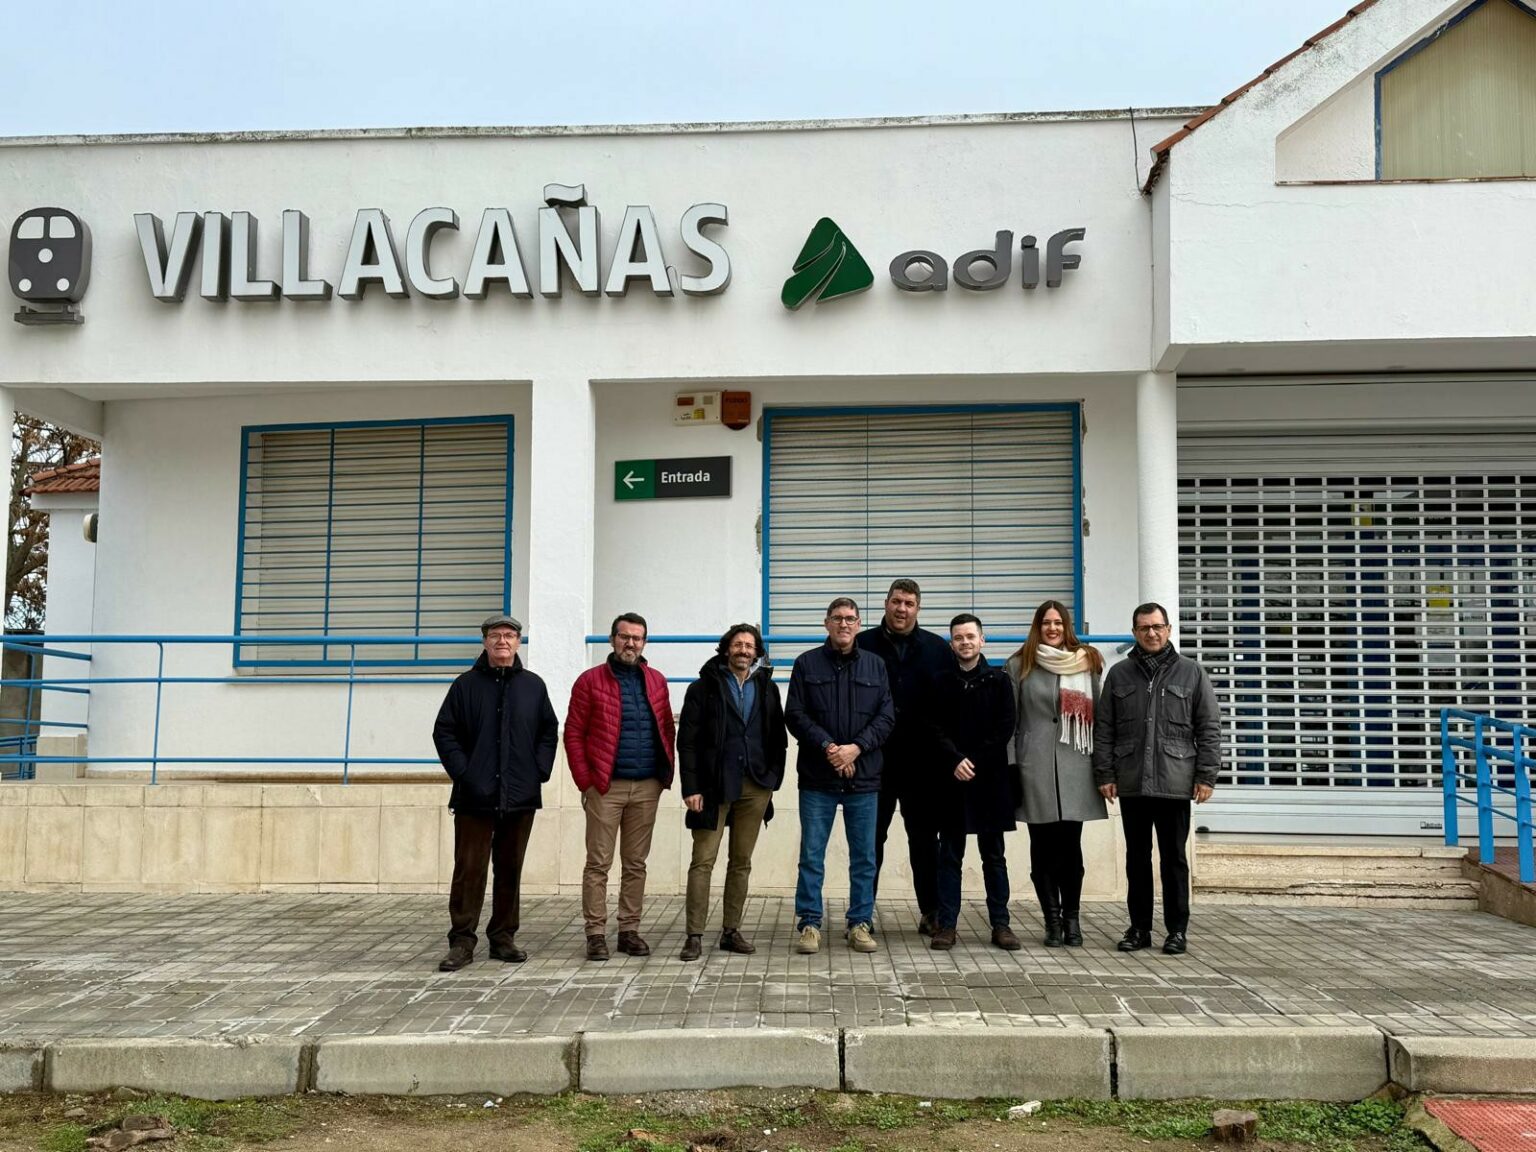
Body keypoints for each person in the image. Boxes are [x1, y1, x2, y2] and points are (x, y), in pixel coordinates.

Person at [431, 613, 558, 972]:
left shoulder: (533, 686)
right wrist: (465, 773)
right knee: (469, 869)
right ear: (485, 642)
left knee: (510, 868)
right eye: (495, 635)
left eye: (510, 635)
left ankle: (503, 937)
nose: (503, 641)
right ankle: (462, 941)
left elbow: (548, 730)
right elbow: (445, 732)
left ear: (519, 643)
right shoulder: (465, 686)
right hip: (475, 797)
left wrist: (539, 771)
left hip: (520, 795)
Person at [1093, 602, 1221, 956]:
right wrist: (1104, 772)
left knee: (1174, 860)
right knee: (1137, 859)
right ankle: (1139, 928)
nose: (1151, 633)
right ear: (1134, 632)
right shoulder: (1119, 675)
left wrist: (1206, 776)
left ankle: (1176, 931)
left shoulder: (1191, 673)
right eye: (1144, 628)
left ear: (1168, 629)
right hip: (1131, 781)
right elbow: (1104, 728)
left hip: (1175, 782)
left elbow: (1209, 728)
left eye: (1157, 627)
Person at [785, 597, 896, 954]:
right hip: (818, 777)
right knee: (811, 855)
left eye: (850, 618)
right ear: (826, 623)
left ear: (859, 624)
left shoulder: (876, 666)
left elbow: (886, 717)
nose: (844, 624)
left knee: (864, 856)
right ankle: (809, 925)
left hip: (864, 778)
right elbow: (796, 714)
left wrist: (855, 749)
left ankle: (860, 923)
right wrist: (831, 748)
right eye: (837, 618)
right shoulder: (806, 664)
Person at [566, 612, 676, 962]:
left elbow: (666, 729)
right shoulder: (589, 681)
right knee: (598, 863)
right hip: (605, 787)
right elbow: (573, 733)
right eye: (624, 636)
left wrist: (664, 776)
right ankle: (595, 933)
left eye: (637, 638)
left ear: (644, 643)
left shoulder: (656, 680)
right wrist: (586, 781)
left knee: (636, 863)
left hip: (646, 786)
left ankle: (629, 929)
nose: (631, 643)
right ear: (612, 640)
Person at [677, 623, 788, 961]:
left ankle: (730, 930)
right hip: (712, 787)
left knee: (741, 862)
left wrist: (772, 781)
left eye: (749, 645)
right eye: (738, 644)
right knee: (703, 861)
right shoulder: (703, 688)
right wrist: (691, 787)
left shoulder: (767, 688)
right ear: (727, 649)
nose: (743, 650)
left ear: (757, 652)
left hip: (755, 786)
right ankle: (694, 935)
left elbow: (777, 737)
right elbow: (688, 742)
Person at [1007, 600, 1106, 948]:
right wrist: (1012, 768)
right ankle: (1051, 920)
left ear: (1067, 627)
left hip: (1076, 765)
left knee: (1071, 849)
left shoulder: (1087, 663)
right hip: (1034, 768)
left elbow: (1101, 719)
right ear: (1037, 626)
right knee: (1042, 850)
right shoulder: (1019, 665)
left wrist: (1104, 767)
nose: (1052, 629)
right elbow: (1011, 724)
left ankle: (1072, 920)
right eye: (1046, 623)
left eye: (1058, 623)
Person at [856, 578, 951, 936]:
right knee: (869, 843)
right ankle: (862, 915)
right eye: (896, 601)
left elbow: (950, 705)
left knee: (925, 842)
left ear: (918, 608)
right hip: (872, 762)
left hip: (923, 765)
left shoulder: (937, 649)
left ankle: (932, 912)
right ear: (885, 603)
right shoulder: (862, 644)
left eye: (909, 603)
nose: (901, 609)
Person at [928, 614, 1020, 950]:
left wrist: (974, 760)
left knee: (993, 856)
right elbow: (933, 726)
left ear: (983, 640)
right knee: (949, 856)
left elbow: (1004, 727)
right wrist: (954, 759)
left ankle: (1001, 925)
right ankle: (947, 926)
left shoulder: (999, 681)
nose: (965, 643)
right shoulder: (939, 681)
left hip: (989, 781)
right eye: (958, 638)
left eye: (970, 637)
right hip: (951, 780)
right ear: (951, 643)